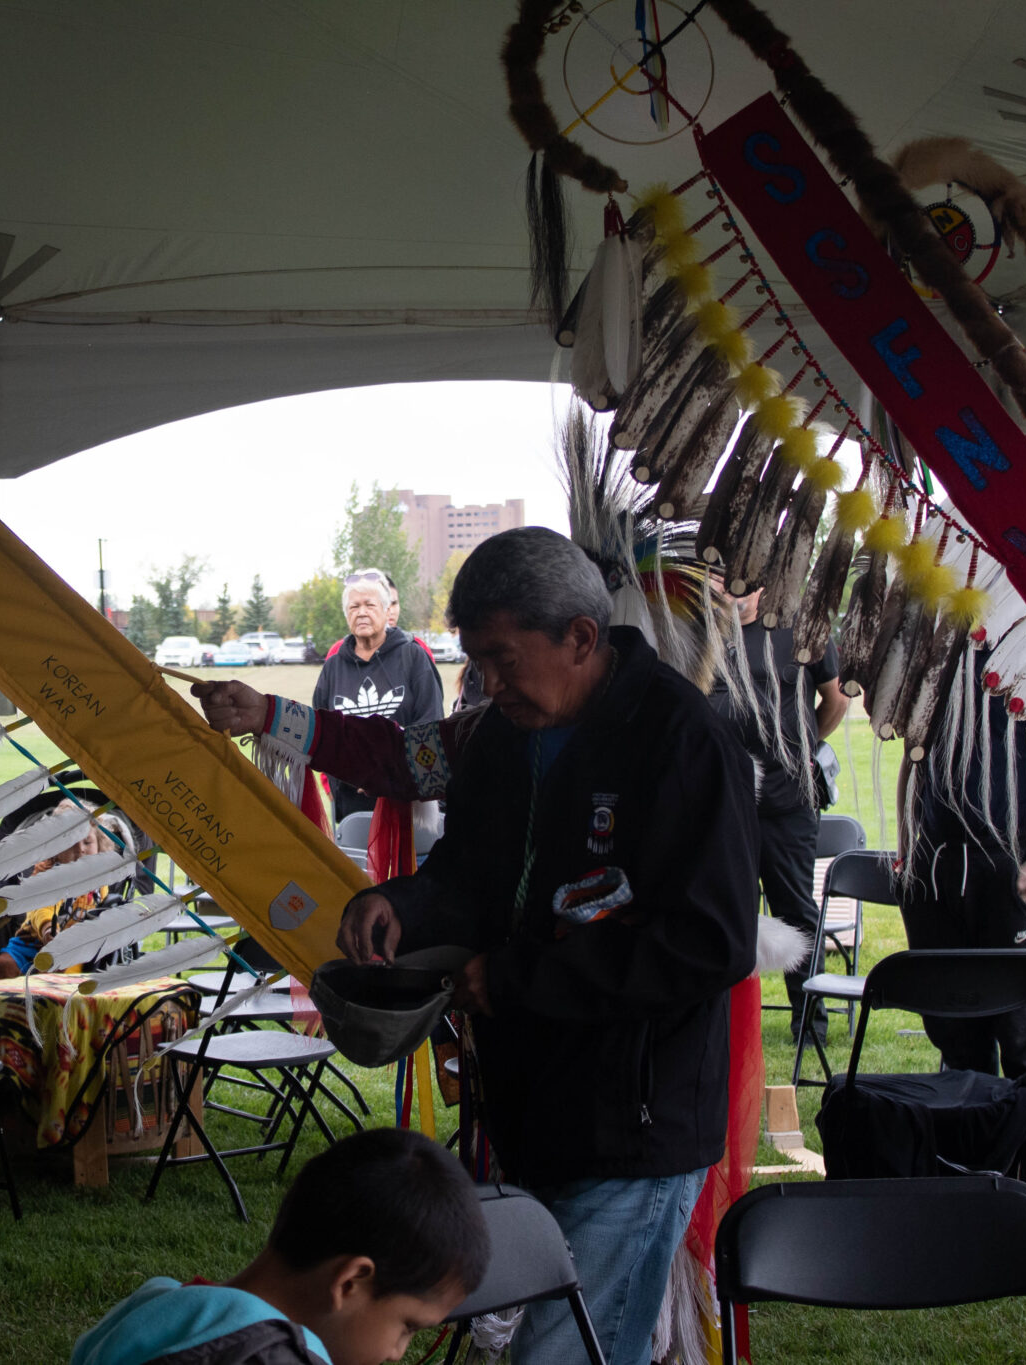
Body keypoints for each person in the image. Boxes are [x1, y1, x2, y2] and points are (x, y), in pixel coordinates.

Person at [195, 527, 757, 1365]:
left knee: (564, 1353)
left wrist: (519, 975)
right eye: (476, 662)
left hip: (637, 1118)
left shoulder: (677, 740)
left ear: (579, 637)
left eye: (501, 659)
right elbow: (470, 867)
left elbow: (710, 943)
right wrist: (404, 903)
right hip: (532, 1101)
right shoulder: (502, 731)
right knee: (573, 1343)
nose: (485, 685)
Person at [71, 1128, 488, 1365]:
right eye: (408, 1328)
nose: (398, 1354)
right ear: (350, 1282)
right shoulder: (270, 1358)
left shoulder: (160, 1302)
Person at [898, 661, 1026, 1151]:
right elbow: (913, 753)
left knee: (1022, 1028)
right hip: (937, 865)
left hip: (1014, 864)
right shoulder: (936, 651)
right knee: (954, 1024)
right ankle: (970, 1157)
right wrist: (906, 844)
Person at [711, 587, 847, 1044]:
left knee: (795, 910)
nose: (733, 593)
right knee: (728, 910)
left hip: (789, 804)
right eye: (723, 582)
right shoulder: (704, 633)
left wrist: (802, 748)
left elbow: (835, 701)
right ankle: (728, 1021)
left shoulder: (802, 622)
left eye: (743, 584)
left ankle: (810, 1023)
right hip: (724, 806)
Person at [311, 568, 444, 824]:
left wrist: (388, 773)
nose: (361, 612)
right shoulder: (333, 667)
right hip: (352, 807)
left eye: (369, 605)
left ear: (386, 611)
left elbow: (431, 725)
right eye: (353, 607)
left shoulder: (413, 657)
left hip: (406, 803)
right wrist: (350, 774)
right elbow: (322, 732)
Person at [0, 806, 134, 980]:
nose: (80, 850)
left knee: (57, 972)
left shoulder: (101, 881)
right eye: (71, 843)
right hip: (30, 943)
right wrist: (47, 928)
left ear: (99, 845)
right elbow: (41, 907)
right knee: (1, 967)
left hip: (74, 949)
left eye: (87, 842)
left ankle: (49, 1003)